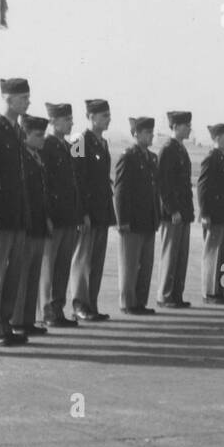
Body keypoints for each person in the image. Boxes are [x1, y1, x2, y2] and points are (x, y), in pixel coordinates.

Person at [0, 77, 33, 346]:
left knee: (14, 273)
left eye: (27, 97)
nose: (27, 102)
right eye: (23, 98)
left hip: (17, 213)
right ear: (9, 99)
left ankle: (6, 322)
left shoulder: (17, 131)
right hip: (0, 214)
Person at [39, 103, 83, 327]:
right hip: (54, 217)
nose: (71, 123)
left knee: (62, 267)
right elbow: (44, 185)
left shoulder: (67, 146)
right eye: (66, 119)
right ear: (53, 122)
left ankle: (58, 310)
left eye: (71, 119)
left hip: (68, 217)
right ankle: (47, 311)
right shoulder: (46, 146)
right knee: (49, 267)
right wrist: (46, 214)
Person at [70, 98, 115, 321]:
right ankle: (79, 303)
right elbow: (76, 178)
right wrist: (81, 213)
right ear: (90, 117)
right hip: (87, 212)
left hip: (101, 211)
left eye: (108, 115)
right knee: (82, 260)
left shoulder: (103, 143)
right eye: (104, 115)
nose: (108, 119)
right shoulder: (79, 140)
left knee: (96, 262)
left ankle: (91, 303)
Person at [114, 117, 161, 314]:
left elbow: (154, 190)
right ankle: (128, 303)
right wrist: (122, 220)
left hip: (148, 220)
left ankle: (140, 301)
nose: (151, 135)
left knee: (145, 264)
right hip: (132, 221)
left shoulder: (151, 158)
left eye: (151, 132)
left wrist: (156, 216)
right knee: (130, 265)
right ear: (136, 134)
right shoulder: (128, 157)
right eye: (146, 132)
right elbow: (121, 191)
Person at [12, 115, 51, 336]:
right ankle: (17, 319)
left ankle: (28, 319)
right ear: (25, 136)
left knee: (33, 273)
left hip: (39, 222)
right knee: (23, 274)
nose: (42, 138)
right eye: (38, 135)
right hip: (27, 222)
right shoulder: (22, 158)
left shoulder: (36, 156)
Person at [157, 111, 194, 309]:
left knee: (180, 256)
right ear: (176, 126)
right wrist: (172, 210)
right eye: (186, 125)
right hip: (173, 214)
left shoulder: (180, 149)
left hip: (183, 212)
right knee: (170, 255)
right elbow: (163, 183)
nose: (189, 128)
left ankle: (176, 294)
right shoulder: (168, 149)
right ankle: (165, 295)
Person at [198, 122, 224, 304]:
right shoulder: (211, 158)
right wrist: (204, 213)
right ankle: (210, 292)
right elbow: (203, 188)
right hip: (215, 214)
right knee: (213, 254)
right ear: (217, 138)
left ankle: (222, 289)